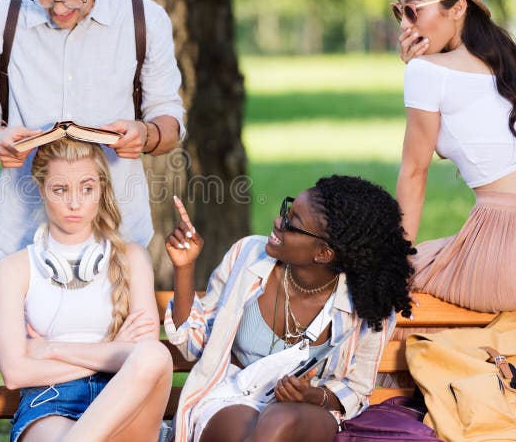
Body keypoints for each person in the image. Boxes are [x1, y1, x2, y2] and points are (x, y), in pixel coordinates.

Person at [0, 0, 185, 268]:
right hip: (20, 238)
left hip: (117, 236)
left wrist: (146, 134)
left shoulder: (144, 20)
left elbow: (169, 125)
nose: (60, 9)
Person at [164, 175, 414, 442]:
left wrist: (311, 396)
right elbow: (193, 346)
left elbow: (358, 390)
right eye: (287, 210)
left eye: (292, 224)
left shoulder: (368, 307)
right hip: (233, 394)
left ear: (324, 253)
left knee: (280, 419)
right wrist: (184, 268)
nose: (277, 222)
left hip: (307, 410)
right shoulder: (246, 255)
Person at [0, 138, 172, 442]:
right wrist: (113, 351)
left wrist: (50, 350)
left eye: (87, 189)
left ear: (101, 190)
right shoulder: (15, 268)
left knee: (154, 354)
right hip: (48, 403)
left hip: (123, 398)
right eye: (60, 189)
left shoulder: (132, 257)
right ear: (41, 190)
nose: (74, 203)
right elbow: (15, 373)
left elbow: (144, 359)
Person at [390, 0, 516, 311]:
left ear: (458, 7)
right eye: (399, 11)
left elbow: (414, 173)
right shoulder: (506, 64)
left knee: (380, 277)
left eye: (413, 11)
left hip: (504, 249)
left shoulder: (427, 73)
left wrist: (394, 267)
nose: (405, 24)